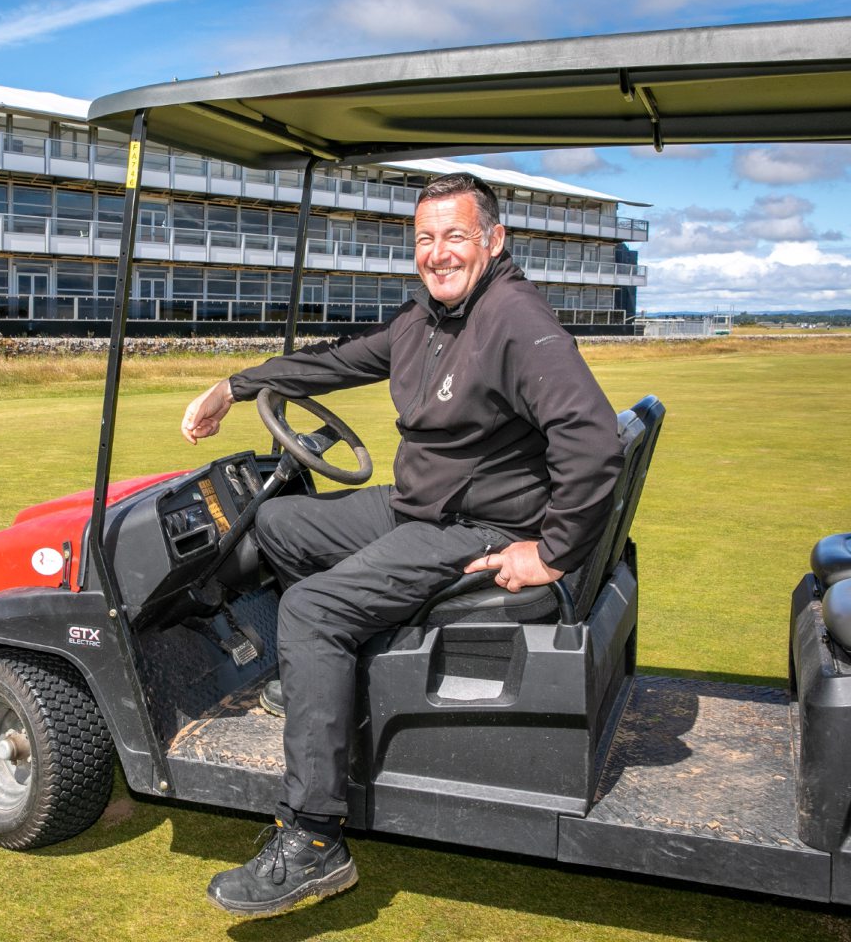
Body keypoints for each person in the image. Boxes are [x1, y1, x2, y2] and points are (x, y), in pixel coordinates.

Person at [180, 172, 623, 917]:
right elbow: (338, 360)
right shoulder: (427, 317)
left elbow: (593, 438)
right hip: (420, 509)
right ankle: (324, 688)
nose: (439, 253)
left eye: (455, 236)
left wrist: (549, 552)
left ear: (494, 240)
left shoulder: (514, 317)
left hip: (474, 527)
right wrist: (237, 386)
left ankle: (316, 841)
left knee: (315, 609)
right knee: (280, 523)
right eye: (425, 239)